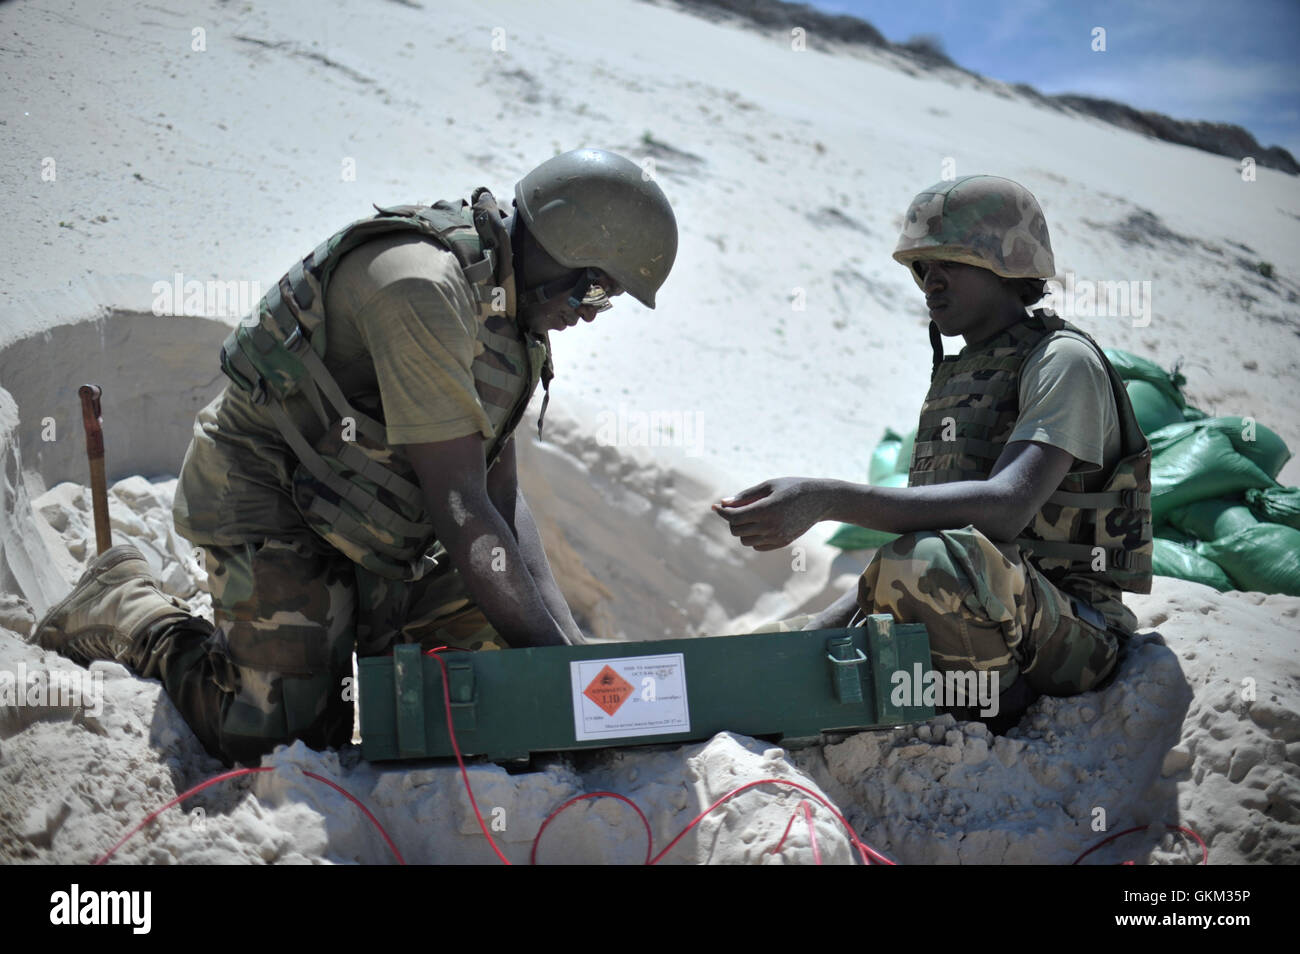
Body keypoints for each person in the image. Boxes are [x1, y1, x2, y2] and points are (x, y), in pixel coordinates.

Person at [32, 148, 678, 765]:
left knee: (503, 699)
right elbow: (459, 502)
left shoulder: (513, 311)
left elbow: (500, 495)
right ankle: (122, 600)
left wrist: (568, 655)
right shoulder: (421, 285)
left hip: (382, 518)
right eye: (593, 293)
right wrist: (551, 657)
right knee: (279, 738)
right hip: (278, 498)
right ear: (562, 247)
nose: (592, 316)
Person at [712, 175, 1152, 730]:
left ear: (1007, 266)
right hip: (998, 608)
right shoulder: (960, 377)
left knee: (925, 561)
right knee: (795, 637)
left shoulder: (1062, 362)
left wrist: (824, 498)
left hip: (1078, 633)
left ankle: (1004, 715)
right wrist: (811, 635)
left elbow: (1006, 507)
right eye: (922, 269)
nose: (930, 284)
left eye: (949, 264)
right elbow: (922, 545)